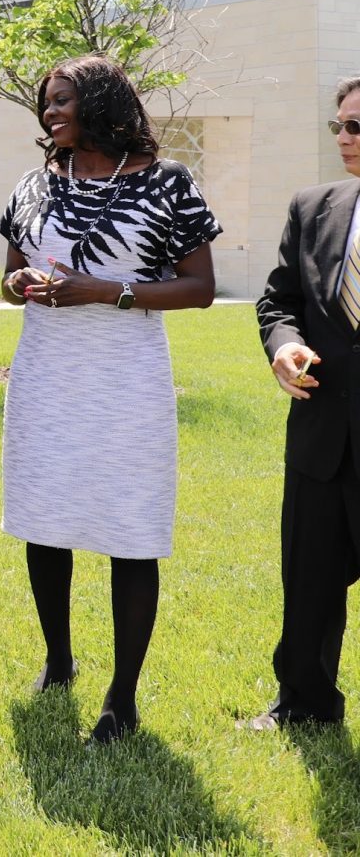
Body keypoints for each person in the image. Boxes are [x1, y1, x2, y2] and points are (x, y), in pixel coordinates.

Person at [0, 55, 218, 744]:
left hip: (126, 380)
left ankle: (121, 696)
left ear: (100, 102)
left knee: (130, 529)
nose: (50, 112)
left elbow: (200, 287)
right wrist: (25, 282)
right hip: (46, 373)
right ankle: (58, 661)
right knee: (45, 517)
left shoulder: (167, 182)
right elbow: (6, 278)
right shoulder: (35, 184)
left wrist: (100, 289)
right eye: (46, 102)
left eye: (63, 100)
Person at [251, 76, 360, 730]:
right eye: (339, 126)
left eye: (358, 127)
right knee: (311, 583)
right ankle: (304, 704)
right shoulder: (313, 205)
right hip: (321, 433)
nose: (345, 139)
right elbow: (279, 300)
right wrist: (283, 345)